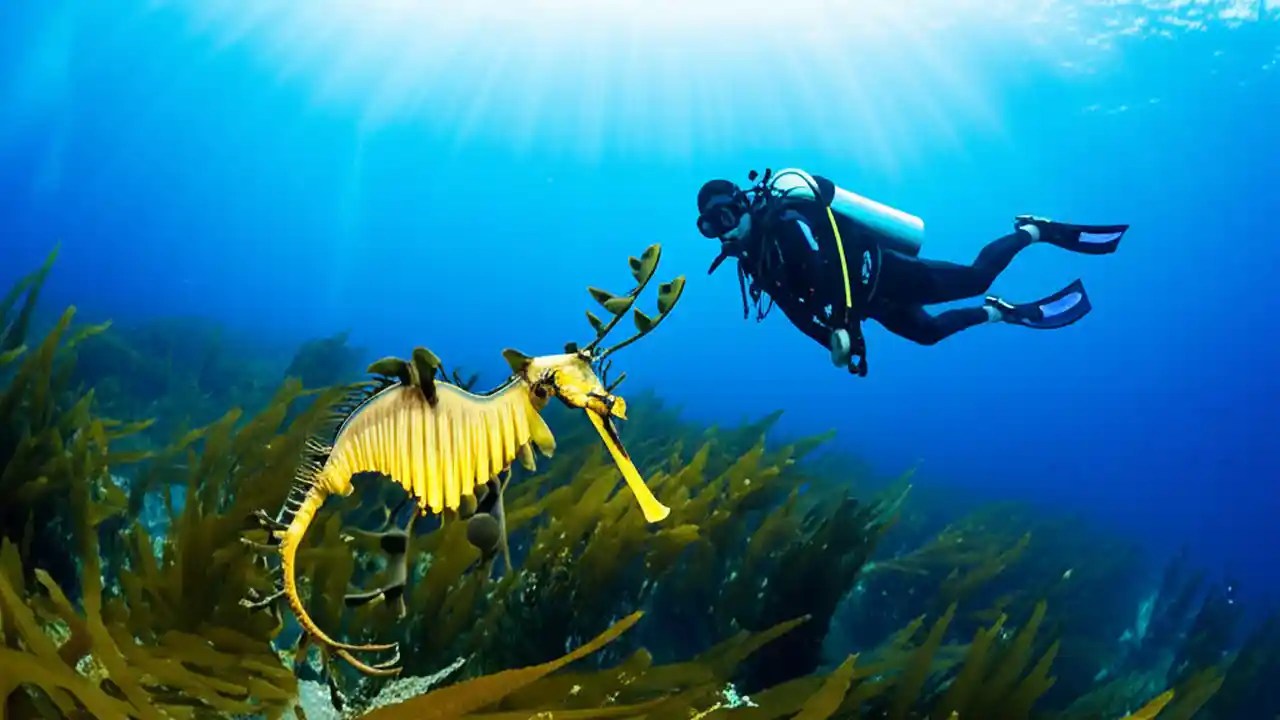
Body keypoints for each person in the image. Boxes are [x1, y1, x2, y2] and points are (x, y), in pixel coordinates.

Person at [695, 167, 1127, 376]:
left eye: (727, 217)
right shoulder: (756, 262)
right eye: (711, 227)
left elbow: (833, 252)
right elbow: (794, 309)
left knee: (976, 277)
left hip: (882, 272)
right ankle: (998, 312)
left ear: (743, 204)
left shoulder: (786, 214)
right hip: (867, 302)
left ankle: (1034, 230)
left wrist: (844, 318)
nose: (723, 231)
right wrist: (834, 338)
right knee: (928, 334)